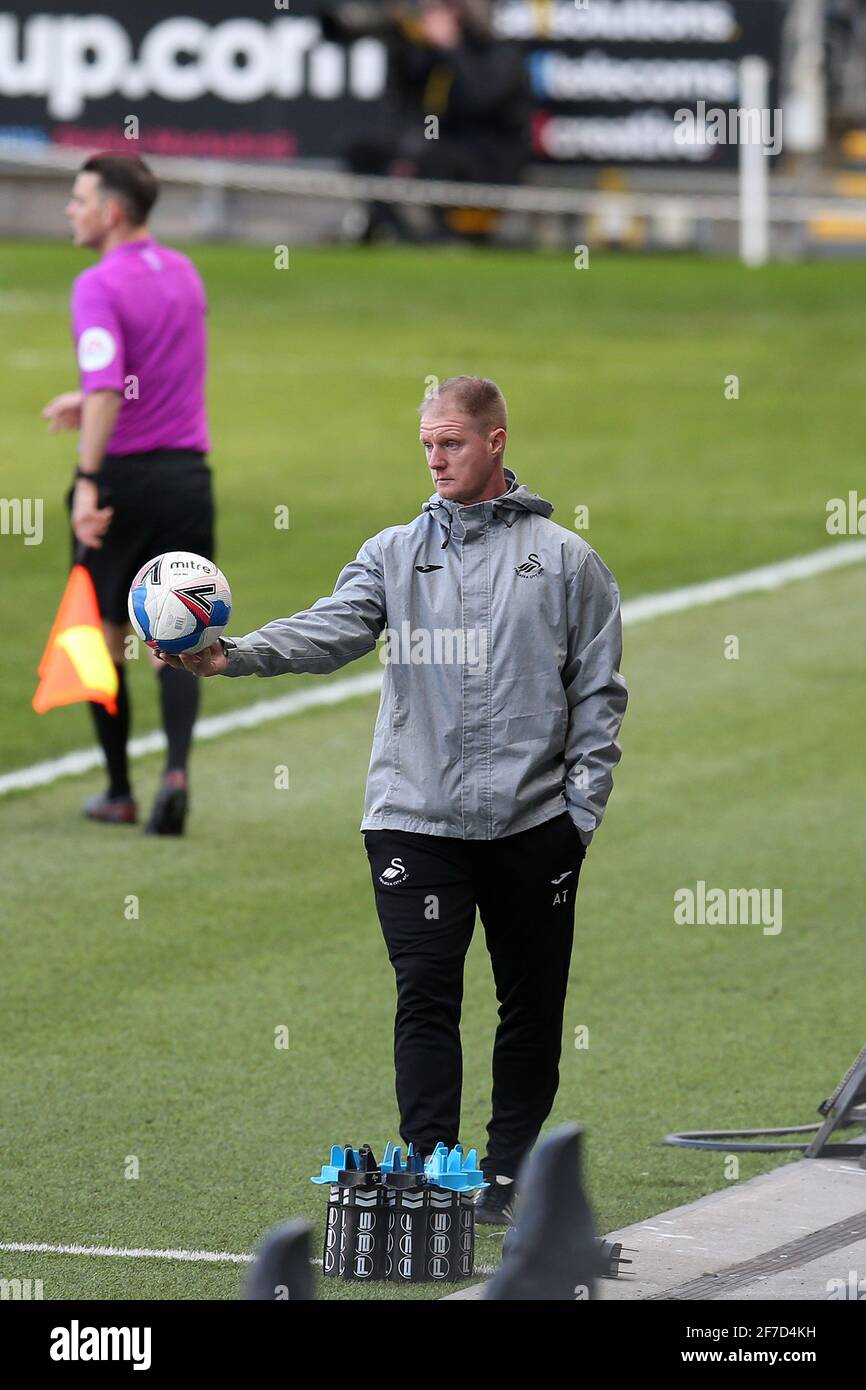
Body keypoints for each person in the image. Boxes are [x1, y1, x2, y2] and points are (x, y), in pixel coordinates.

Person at [162, 376, 627, 1223]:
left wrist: (579, 816)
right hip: (415, 818)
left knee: (531, 1005)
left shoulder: (566, 561)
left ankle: (510, 1173)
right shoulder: (394, 552)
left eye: (451, 442)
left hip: (534, 828)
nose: (435, 458)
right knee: (426, 993)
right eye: (426, 444)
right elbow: (332, 627)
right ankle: (431, 1173)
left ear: (495, 441)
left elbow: (599, 694)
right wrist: (234, 654)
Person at [42, 153, 214, 835]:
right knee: (178, 630)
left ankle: (118, 789)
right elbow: (152, 379)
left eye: (79, 198)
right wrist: (88, 402)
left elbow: (113, 385)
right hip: (187, 479)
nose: (70, 209)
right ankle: (176, 771)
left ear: (112, 211)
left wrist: (87, 481)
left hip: (123, 481)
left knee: (100, 636)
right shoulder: (183, 273)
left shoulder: (97, 284)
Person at [322, 0, 529, 241]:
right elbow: (405, 104)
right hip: (440, 147)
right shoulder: (431, 54)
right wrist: (401, 45)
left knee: (430, 154)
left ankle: (450, 235)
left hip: (490, 157)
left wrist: (451, 46)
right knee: (362, 149)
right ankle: (401, 234)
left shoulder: (501, 55)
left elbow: (479, 99)